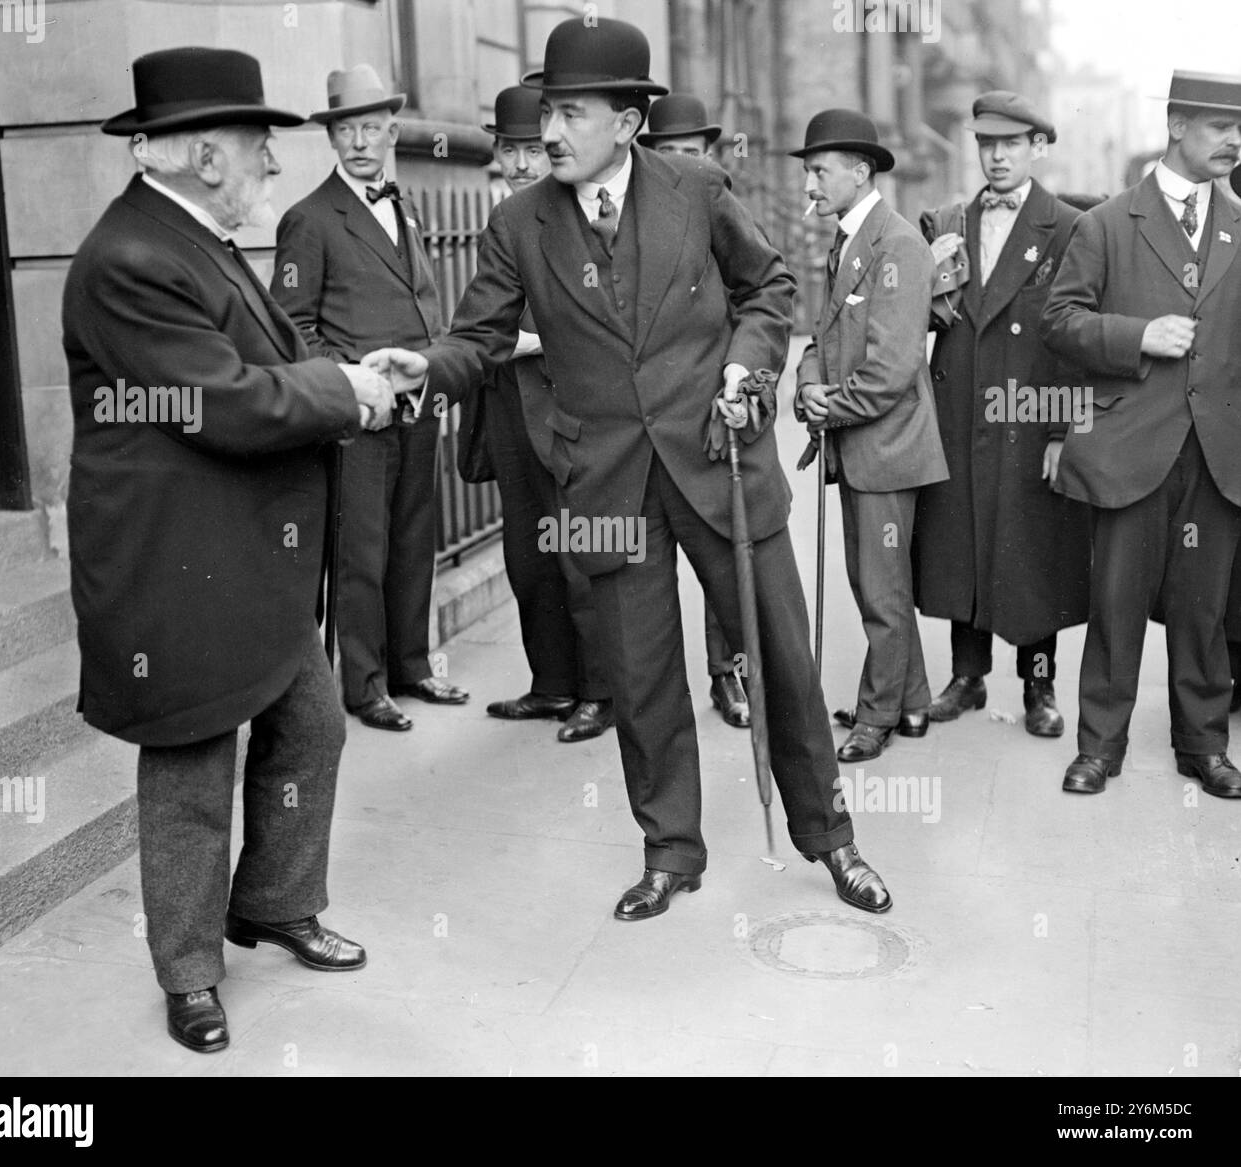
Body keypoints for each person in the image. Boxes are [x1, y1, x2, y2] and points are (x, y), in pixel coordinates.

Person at [375, 17, 891, 919]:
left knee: (780, 661)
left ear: (625, 121)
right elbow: (479, 334)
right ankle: (670, 851)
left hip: (719, 458)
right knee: (642, 673)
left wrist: (748, 370)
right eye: (547, 112)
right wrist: (429, 366)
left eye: (571, 113)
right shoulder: (517, 222)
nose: (551, 131)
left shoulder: (695, 187)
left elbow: (768, 289)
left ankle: (832, 837)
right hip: (605, 482)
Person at [64, 47, 387, 1052]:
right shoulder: (130, 260)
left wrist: (348, 369)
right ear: (207, 152)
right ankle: (190, 972)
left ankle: (272, 902)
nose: (270, 166)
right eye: (259, 145)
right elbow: (221, 403)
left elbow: (271, 357)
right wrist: (349, 394)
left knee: (312, 728)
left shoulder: (189, 236)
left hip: (244, 556)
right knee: (193, 761)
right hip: (180, 567)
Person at [1040, 69, 1241, 798]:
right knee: (1117, 604)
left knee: (1204, 609)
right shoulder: (1106, 224)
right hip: (1131, 451)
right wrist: (1137, 335)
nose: (1236, 142)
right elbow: (1059, 321)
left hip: (1218, 455)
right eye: (1222, 127)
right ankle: (1100, 745)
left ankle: (1203, 744)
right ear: (1177, 124)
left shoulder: (1239, 223)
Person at [271, 64, 468, 733]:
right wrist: (354, 381)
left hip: (417, 407)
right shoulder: (309, 219)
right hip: (357, 417)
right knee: (362, 551)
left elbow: (423, 305)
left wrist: (431, 369)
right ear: (331, 137)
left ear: (391, 129)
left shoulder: (403, 205)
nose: (358, 140)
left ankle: (412, 664)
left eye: (369, 126)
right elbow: (290, 329)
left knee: (416, 541)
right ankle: (364, 684)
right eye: (344, 128)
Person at [912, 91, 1090, 738]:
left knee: (1032, 549)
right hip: (961, 411)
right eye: (987, 145)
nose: (997, 157)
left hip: (1029, 414)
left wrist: (1062, 430)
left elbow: (1075, 338)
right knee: (962, 538)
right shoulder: (948, 221)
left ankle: (1038, 685)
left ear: (1038, 147)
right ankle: (967, 673)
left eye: (1010, 145)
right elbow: (926, 317)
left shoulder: (1069, 226)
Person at [793, 109, 948, 764]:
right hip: (865, 447)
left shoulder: (896, 246)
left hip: (887, 450)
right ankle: (911, 701)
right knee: (874, 584)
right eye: (807, 172)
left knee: (880, 590)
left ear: (861, 172)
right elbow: (820, 337)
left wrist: (829, 409)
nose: (810, 185)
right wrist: (806, 385)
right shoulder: (849, 238)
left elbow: (889, 371)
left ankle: (877, 716)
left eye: (820, 171)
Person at [471, 85, 614, 742]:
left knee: (581, 559)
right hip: (510, 411)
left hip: (571, 411)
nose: (522, 163)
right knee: (528, 559)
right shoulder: (502, 218)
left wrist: (535, 339)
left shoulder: (584, 214)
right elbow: (477, 323)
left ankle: (601, 692)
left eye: (533, 149)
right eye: (510, 150)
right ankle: (552, 684)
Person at [638, 91, 750, 729]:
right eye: (669, 153)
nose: (683, 164)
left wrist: (737, 374)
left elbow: (756, 295)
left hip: (710, 410)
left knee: (724, 557)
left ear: (709, 155)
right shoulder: (636, 218)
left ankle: (729, 674)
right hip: (652, 416)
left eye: (692, 152)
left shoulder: (720, 207)